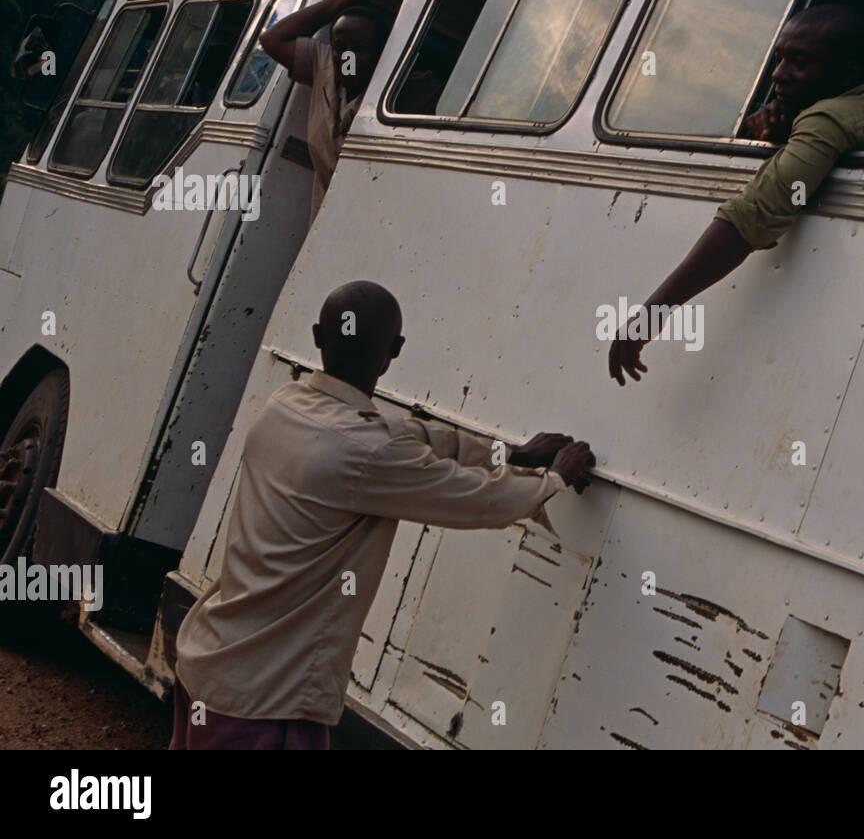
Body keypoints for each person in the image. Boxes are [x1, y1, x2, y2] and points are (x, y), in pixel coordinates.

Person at [170, 280, 595, 749]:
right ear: (394, 350)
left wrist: (507, 453)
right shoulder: (368, 453)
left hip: (208, 666)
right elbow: (475, 499)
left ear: (317, 336)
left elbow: (407, 437)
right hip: (265, 702)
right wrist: (551, 480)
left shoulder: (284, 406)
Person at [607, 4, 864, 385]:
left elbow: (755, 214)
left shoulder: (827, 119)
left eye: (799, 62)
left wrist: (652, 314)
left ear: (849, 73)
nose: (779, 75)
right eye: (779, 59)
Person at [259, 0, 394, 226]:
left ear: (381, 51)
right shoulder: (324, 66)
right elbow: (272, 39)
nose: (347, 58)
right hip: (323, 226)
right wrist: (339, 1)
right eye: (340, 46)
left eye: (359, 48)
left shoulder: (401, 91)